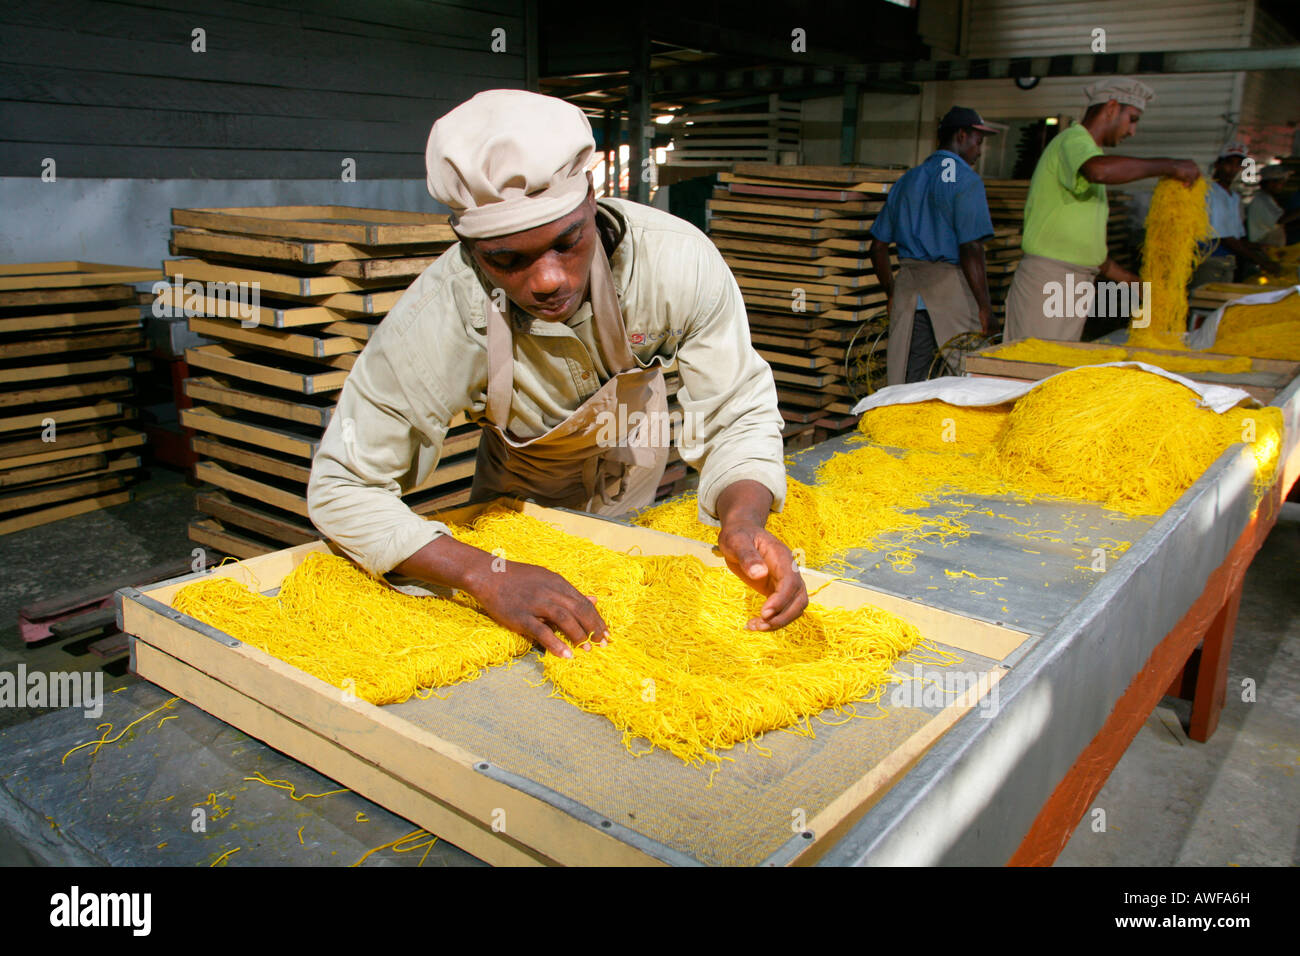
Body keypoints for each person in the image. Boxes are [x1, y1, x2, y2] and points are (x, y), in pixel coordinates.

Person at [307, 90, 808, 659]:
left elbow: (736, 411)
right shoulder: (438, 318)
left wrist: (743, 519)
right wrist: (485, 575)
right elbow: (342, 485)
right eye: (507, 261)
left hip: (635, 476)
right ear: (470, 249)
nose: (548, 280)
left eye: (567, 243)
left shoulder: (675, 264)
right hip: (518, 509)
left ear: (592, 201)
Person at [1004, 77, 1200, 342]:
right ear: (1111, 107)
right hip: (1051, 280)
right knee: (1030, 368)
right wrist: (1169, 166)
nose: (1132, 131)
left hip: (1074, 282)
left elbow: (1087, 248)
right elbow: (1099, 170)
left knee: (1055, 369)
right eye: (1132, 119)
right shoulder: (1073, 142)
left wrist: (1132, 281)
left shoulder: (1087, 154)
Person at [869, 106, 997, 385]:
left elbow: (877, 247)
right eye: (978, 141)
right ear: (962, 136)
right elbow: (971, 248)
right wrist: (985, 306)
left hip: (910, 293)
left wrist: (892, 292)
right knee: (970, 373)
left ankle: (907, 426)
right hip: (949, 288)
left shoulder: (907, 181)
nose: (979, 149)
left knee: (911, 375)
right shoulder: (966, 181)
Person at [1192, 143, 1281, 286]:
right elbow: (1226, 238)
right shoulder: (1210, 192)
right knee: (1204, 302)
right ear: (1218, 164)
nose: (1233, 169)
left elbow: (1236, 236)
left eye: (1238, 164)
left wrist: (1258, 247)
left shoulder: (1233, 197)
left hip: (1227, 260)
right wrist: (1261, 261)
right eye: (1229, 163)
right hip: (1210, 260)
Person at [1246, 165, 1300, 248]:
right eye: (1281, 183)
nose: (1282, 187)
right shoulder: (1261, 199)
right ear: (1271, 183)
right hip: (1264, 248)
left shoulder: (1266, 198)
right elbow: (1280, 219)